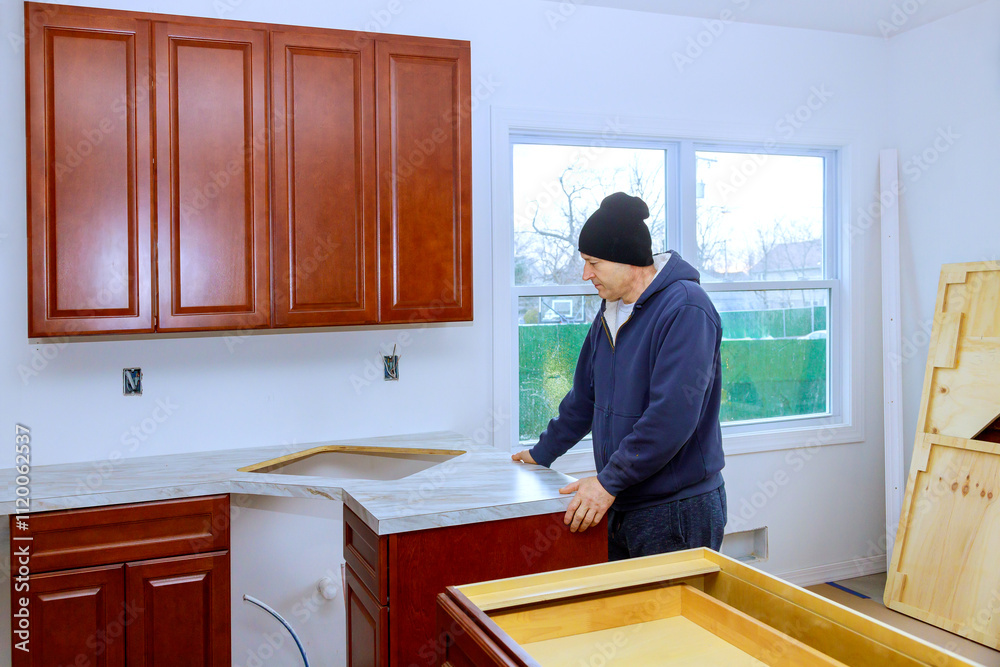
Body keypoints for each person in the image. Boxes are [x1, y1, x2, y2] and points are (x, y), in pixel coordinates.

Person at [512, 192, 727, 561]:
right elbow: (584, 400)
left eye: (593, 262)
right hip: (624, 499)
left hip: (676, 510)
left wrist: (607, 482)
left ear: (628, 259)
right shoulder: (610, 312)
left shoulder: (687, 308)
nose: (586, 274)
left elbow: (671, 417)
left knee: (663, 604)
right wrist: (540, 454)